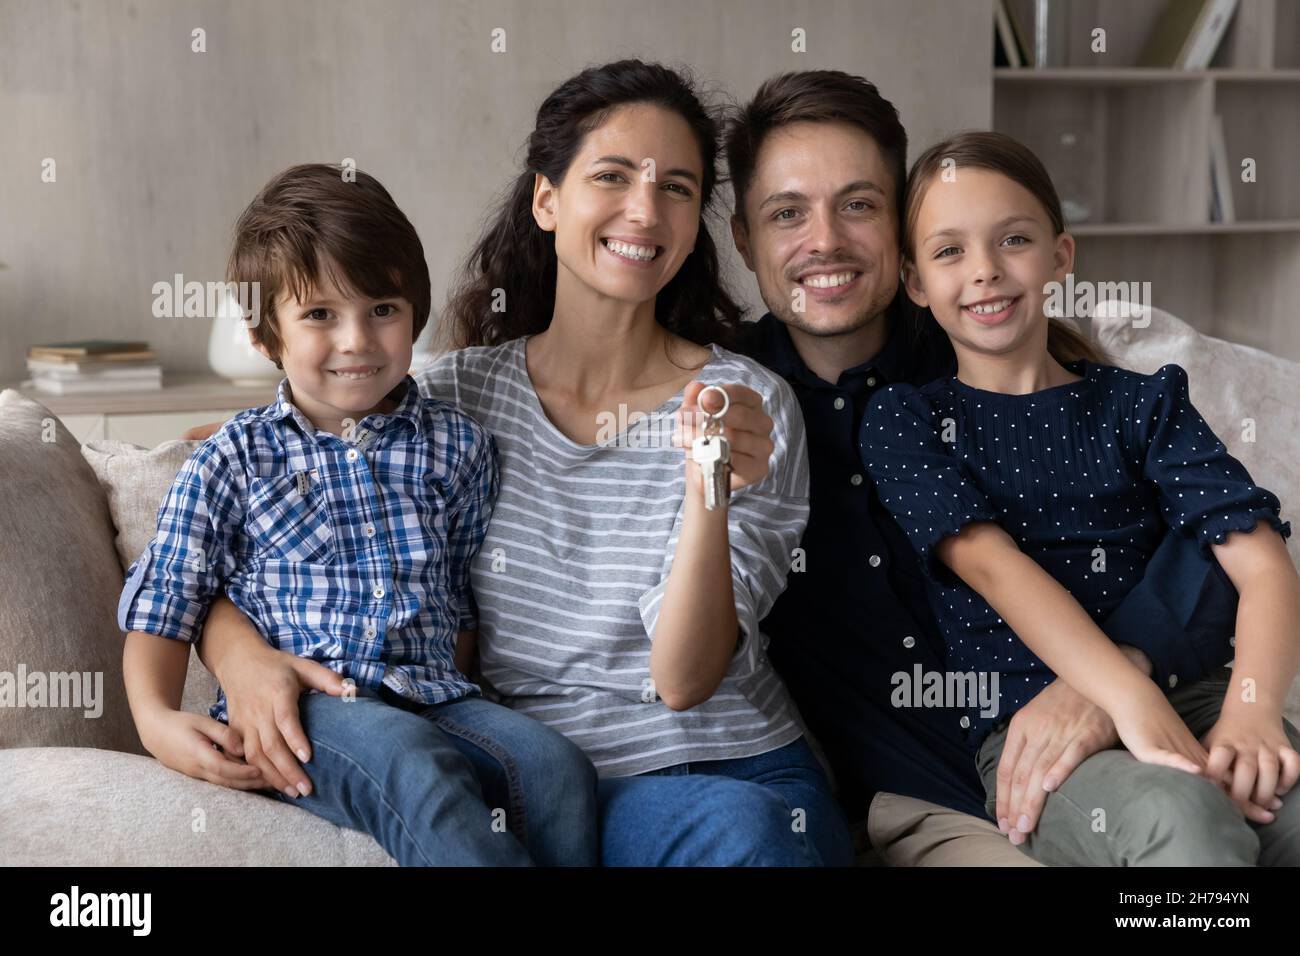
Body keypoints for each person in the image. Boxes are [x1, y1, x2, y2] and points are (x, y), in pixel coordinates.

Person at [186, 61, 855, 866]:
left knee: (748, 836)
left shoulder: (748, 403)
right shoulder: (453, 398)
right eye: (611, 176)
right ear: (547, 199)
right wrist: (242, 657)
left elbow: (682, 679)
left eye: (677, 187)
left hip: (732, 776)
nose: (644, 209)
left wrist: (705, 485)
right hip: (533, 779)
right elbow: (231, 532)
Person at [726, 70, 1257, 862]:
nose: (826, 240)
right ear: (744, 239)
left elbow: (1214, 536)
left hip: (1122, 733)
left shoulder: (993, 351)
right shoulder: (733, 399)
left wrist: (1109, 683)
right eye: (787, 213)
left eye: (859, 204)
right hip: (943, 801)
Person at [118, 163, 598, 866]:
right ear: (265, 335)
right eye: (319, 315)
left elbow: (460, 603)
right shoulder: (232, 460)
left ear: (415, 314)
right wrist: (158, 722)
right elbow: (167, 600)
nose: (357, 341)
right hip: (312, 708)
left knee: (555, 768)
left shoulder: (457, 447)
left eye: (382, 309)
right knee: (411, 766)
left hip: (435, 696)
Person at [860, 130, 1300, 865]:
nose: (985, 272)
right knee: (1180, 821)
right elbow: (995, 569)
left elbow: (1261, 561)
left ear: (1060, 256)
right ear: (913, 281)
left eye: (1014, 240)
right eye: (949, 252)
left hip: (1197, 689)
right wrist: (1129, 700)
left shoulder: (1141, 404)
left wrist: (1253, 710)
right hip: (1035, 731)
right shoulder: (907, 421)